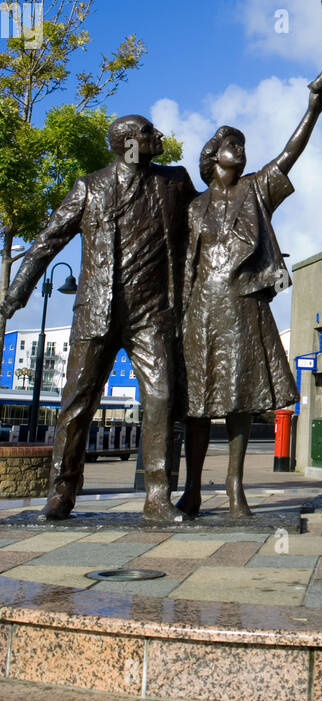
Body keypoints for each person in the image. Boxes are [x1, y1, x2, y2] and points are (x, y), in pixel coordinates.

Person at [0, 116, 196, 524]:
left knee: (161, 397)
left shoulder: (174, 182)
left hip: (152, 312)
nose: (158, 136)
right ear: (127, 143)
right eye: (148, 132)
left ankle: (158, 496)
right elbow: (47, 241)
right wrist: (16, 294)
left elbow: (205, 227)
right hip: (96, 310)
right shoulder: (90, 188)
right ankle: (61, 494)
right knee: (77, 405)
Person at [177, 94, 322, 519]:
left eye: (242, 146)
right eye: (232, 144)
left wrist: (312, 108)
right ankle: (191, 491)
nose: (240, 150)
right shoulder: (194, 207)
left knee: (241, 400)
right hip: (201, 311)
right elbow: (186, 265)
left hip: (242, 307)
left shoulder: (255, 191)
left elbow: (289, 155)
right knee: (198, 406)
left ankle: (235, 485)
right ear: (213, 154)